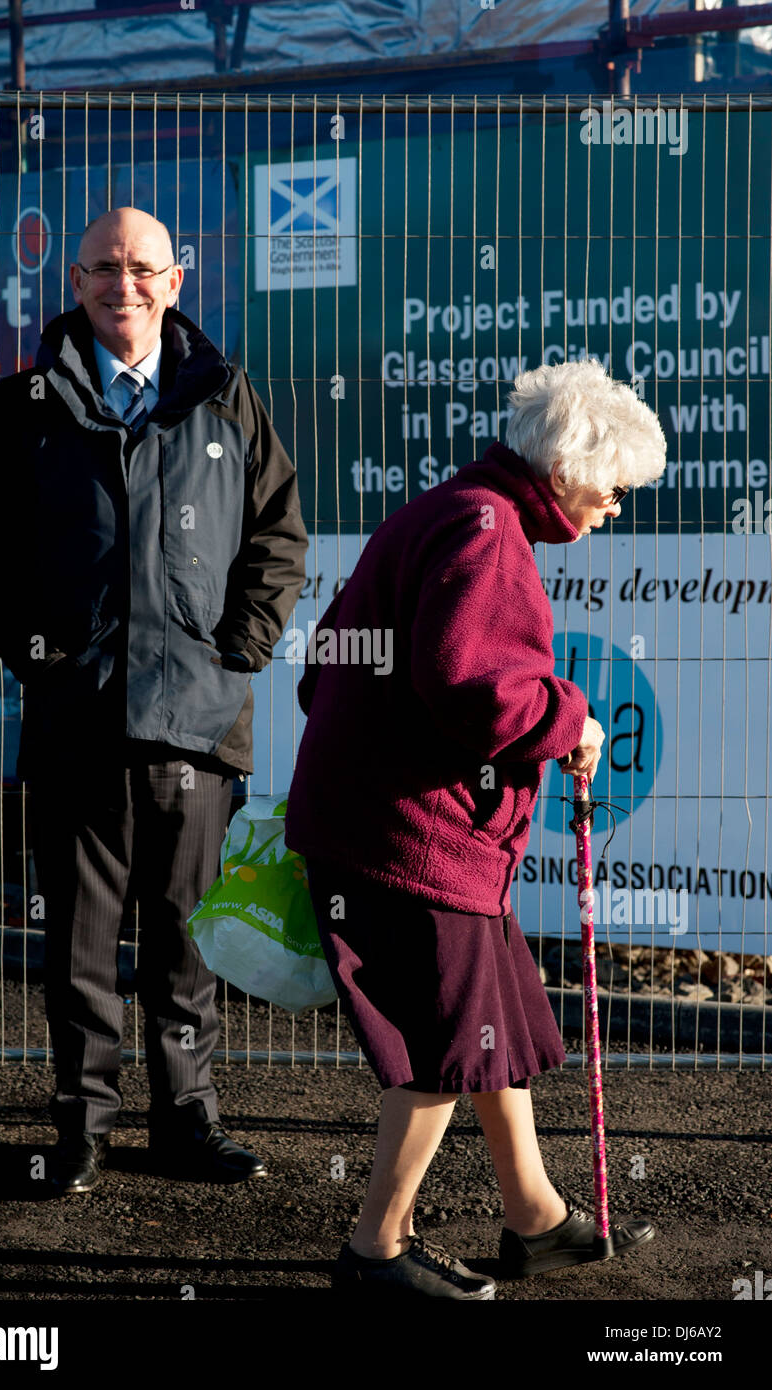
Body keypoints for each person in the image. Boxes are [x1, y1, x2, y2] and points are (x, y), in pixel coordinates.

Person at [285, 358, 665, 1298]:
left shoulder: (446, 511)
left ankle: (532, 1217)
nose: (616, 506)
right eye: (614, 488)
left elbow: (325, 663)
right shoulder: (486, 532)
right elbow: (470, 684)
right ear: (569, 466)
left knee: (484, 1024)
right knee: (440, 1045)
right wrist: (568, 718)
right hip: (413, 841)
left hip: (397, 826)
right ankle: (374, 1251)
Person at [0, 207, 307, 1194]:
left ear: (176, 279)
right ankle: (81, 1126)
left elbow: (279, 533)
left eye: (143, 267)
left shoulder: (224, 396)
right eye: (105, 267)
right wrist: (43, 656)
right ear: (75, 280)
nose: (125, 283)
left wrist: (238, 650)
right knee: (78, 942)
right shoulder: (26, 404)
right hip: (78, 722)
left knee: (186, 938)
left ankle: (188, 1120)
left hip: (196, 725)